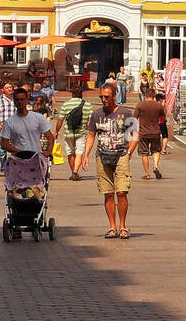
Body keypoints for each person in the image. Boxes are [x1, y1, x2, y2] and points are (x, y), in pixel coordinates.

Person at [81, 83, 138, 239]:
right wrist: (86, 155)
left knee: (122, 192)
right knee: (107, 193)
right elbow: (91, 136)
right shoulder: (96, 114)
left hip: (121, 155)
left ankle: (123, 226)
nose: (103, 99)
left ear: (114, 96)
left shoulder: (125, 113)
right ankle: (112, 227)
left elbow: (135, 135)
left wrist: (129, 151)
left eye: (106, 96)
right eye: (101, 96)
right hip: (102, 155)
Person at [0, 86, 56, 159]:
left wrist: (48, 152)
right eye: (17, 100)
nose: (19, 102)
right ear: (14, 101)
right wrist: (21, 152)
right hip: (18, 161)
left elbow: (50, 138)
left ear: (27, 99)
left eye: (22, 99)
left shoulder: (38, 117)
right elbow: (4, 144)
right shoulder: (9, 122)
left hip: (35, 159)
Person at [53, 86, 92, 180]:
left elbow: (60, 119)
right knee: (79, 152)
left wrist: (56, 131)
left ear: (72, 94)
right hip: (81, 132)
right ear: (81, 94)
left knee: (70, 152)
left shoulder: (66, 104)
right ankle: (75, 172)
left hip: (68, 132)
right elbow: (90, 121)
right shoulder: (87, 105)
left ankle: (73, 172)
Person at [135, 90, 167, 180]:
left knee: (144, 153)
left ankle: (147, 173)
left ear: (146, 95)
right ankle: (155, 166)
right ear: (154, 96)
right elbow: (163, 117)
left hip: (143, 133)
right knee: (156, 151)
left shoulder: (140, 105)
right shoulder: (158, 106)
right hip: (155, 132)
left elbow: (134, 119)